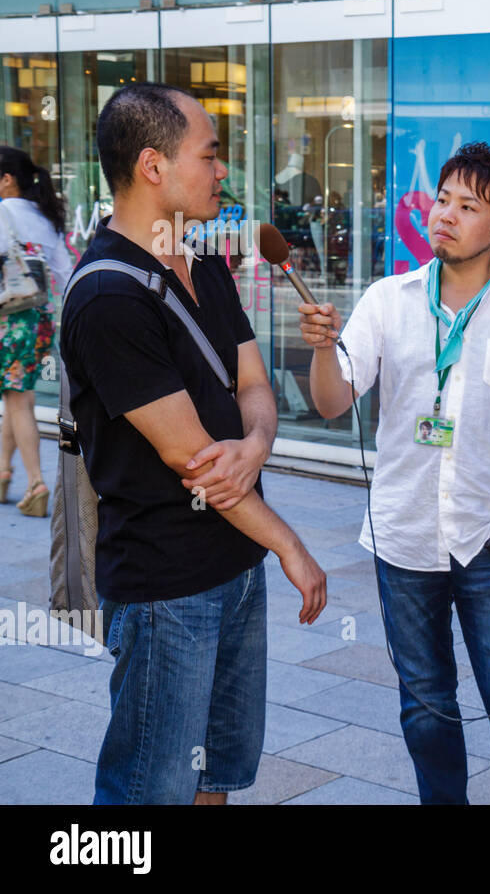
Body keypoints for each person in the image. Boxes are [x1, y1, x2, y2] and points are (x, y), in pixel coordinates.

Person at [60, 82, 328, 804]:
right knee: (151, 791)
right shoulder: (108, 296)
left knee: (217, 778)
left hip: (234, 567)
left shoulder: (206, 264)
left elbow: (255, 389)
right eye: (209, 156)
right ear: (153, 166)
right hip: (163, 585)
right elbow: (191, 459)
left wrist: (257, 446)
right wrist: (291, 545)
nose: (222, 173)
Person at [299, 141, 490, 805]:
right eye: (442, 200)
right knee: (425, 709)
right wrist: (321, 350)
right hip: (402, 537)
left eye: (468, 205)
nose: (445, 215)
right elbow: (333, 398)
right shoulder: (388, 300)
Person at [0, 146, 74, 516]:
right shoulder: (45, 218)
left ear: (7, 179)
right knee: (17, 396)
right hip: (41, 319)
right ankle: (3, 473)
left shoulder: (4, 212)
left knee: (19, 401)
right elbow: (66, 272)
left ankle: (34, 483)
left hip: (10, 319)